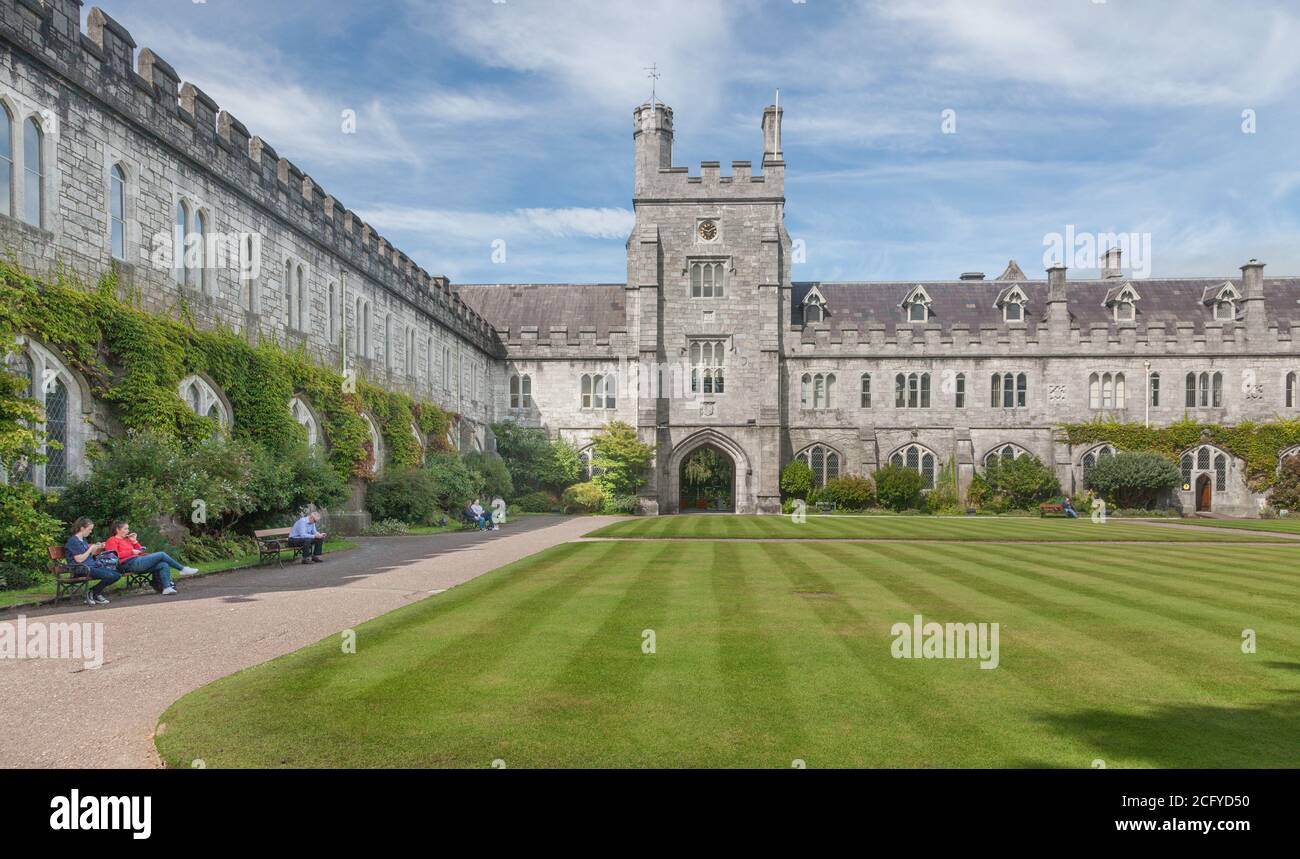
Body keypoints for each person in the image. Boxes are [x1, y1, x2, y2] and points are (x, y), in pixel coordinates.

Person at [105, 520, 197, 596]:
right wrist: (131, 552)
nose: (128, 530)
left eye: (127, 528)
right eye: (125, 529)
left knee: (163, 564)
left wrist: (134, 542)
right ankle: (182, 569)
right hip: (128, 564)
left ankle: (167, 588)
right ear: (118, 530)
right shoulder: (112, 540)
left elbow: (140, 551)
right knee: (161, 554)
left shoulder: (127, 540)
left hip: (137, 562)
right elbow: (113, 556)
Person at [65, 517, 120, 607]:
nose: (90, 531)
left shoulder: (83, 540)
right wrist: (90, 548)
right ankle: (94, 593)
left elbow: (89, 555)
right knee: (110, 575)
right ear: (82, 528)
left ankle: (93, 592)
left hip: (91, 566)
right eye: (89, 529)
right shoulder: (73, 541)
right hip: (80, 568)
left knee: (116, 575)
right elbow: (79, 559)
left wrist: (97, 547)